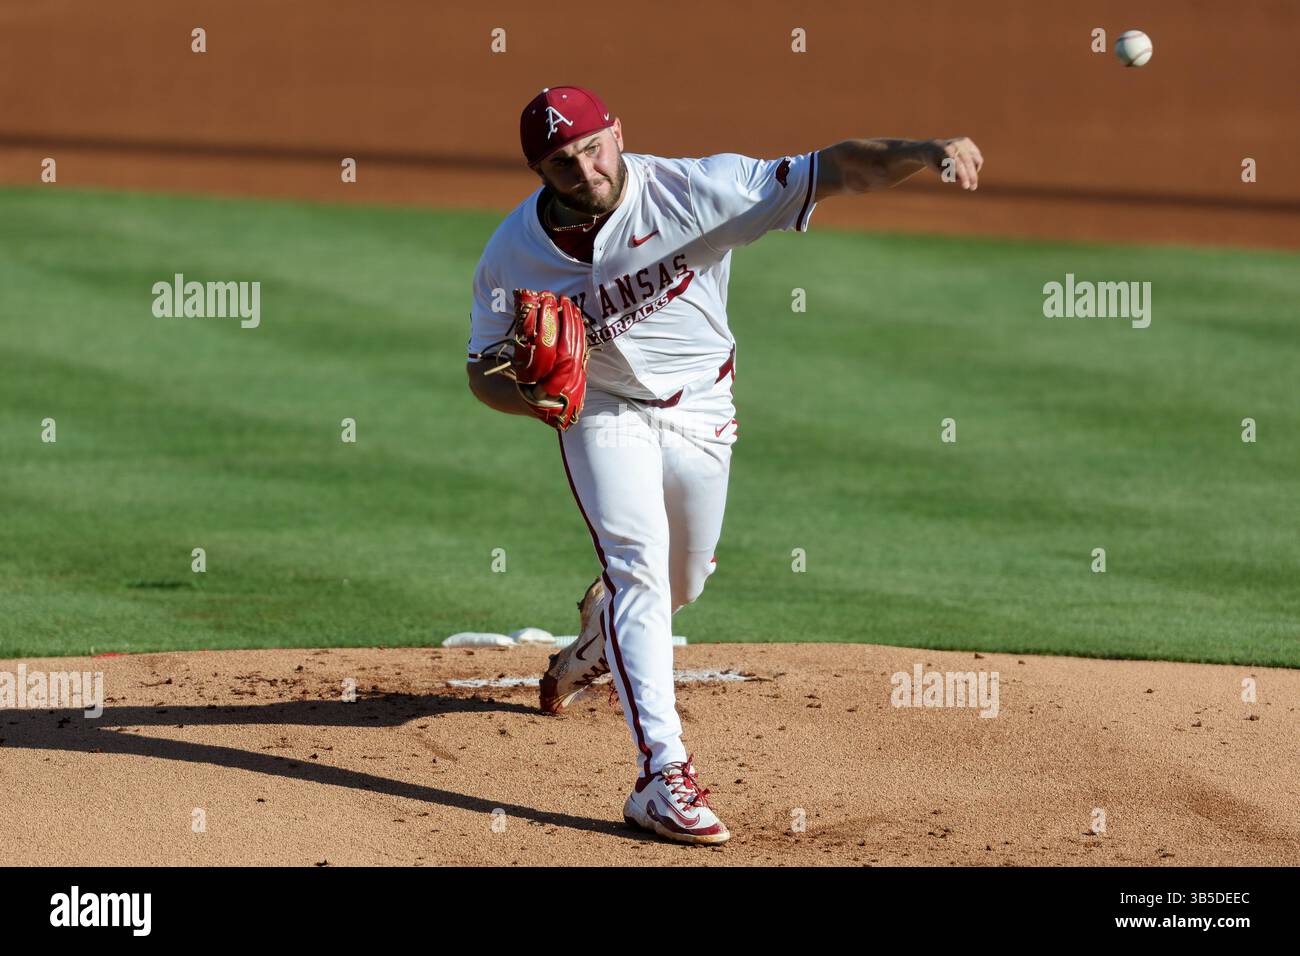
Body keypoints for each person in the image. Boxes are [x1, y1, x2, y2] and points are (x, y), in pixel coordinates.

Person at [466, 85, 983, 845]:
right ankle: (660, 778)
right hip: (601, 413)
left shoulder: (698, 190)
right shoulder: (512, 255)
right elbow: (481, 371)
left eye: (590, 147)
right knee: (639, 564)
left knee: (682, 584)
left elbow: (830, 169)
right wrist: (532, 399)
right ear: (539, 170)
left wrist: (924, 151)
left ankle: (594, 639)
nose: (584, 169)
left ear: (617, 131)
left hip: (702, 406)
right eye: (561, 162)